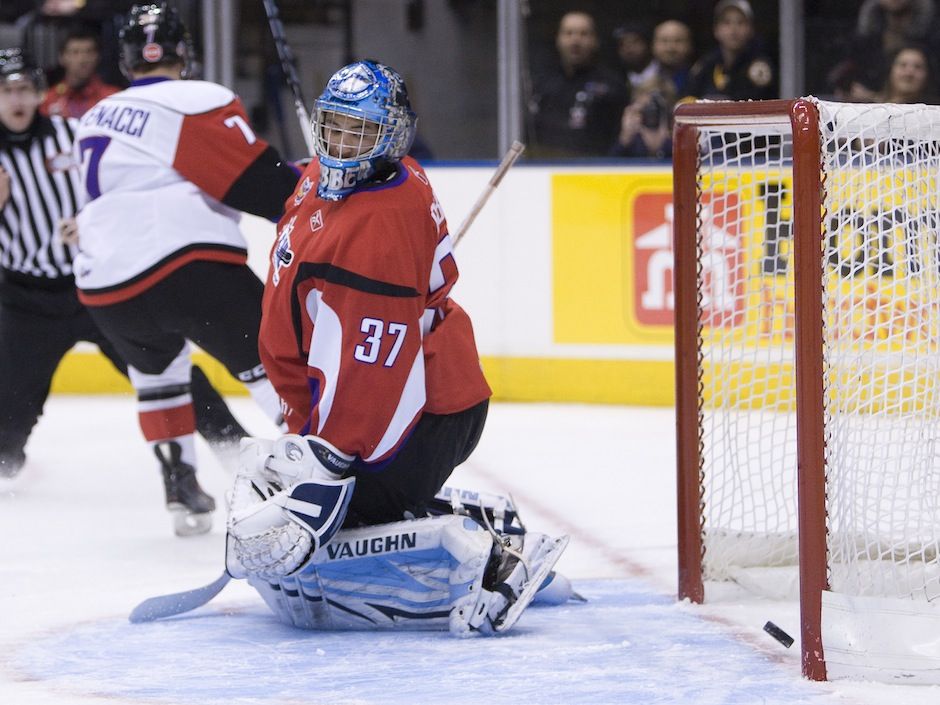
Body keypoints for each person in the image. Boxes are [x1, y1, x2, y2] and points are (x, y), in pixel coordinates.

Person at [223, 60, 569, 636]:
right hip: (410, 396)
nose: (340, 144)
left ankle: (490, 563)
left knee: (348, 518)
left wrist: (332, 461)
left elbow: (375, 373)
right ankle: (459, 519)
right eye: (333, 127)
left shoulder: (376, 233)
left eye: (359, 132)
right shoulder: (329, 178)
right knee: (333, 499)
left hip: (417, 410)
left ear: (393, 136)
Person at [73, 3, 300, 536]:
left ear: (126, 60)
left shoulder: (94, 116)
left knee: (158, 376)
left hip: (106, 288)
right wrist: (314, 196)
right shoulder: (197, 99)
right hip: (186, 264)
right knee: (276, 363)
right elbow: (253, 183)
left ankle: (181, 487)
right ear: (185, 52)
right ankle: (322, 479)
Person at [0, 45, 248, 482]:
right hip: (26, 303)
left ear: (40, 93)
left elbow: (121, 183)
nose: (16, 99)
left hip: (94, 285)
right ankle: (9, 468)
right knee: (7, 426)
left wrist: (96, 221)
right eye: (6, 90)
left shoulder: (73, 131)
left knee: (170, 371)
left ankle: (235, 449)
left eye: (24, 89)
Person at [529, 11, 629, 157]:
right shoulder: (542, 83)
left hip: (597, 171)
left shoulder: (613, 85)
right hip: (547, 168)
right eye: (568, 33)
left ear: (595, 40)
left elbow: (620, 138)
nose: (575, 40)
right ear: (558, 39)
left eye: (583, 34)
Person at [827, 0, 940, 102]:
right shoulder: (866, 41)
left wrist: (874, 98)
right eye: (902, 65)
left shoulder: (931, 39)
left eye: (918, 67)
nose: (909, 72)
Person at [683, 0, 776, 101]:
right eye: (726, 22)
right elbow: (688, 97)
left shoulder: (759, 66)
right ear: (716, 30)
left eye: (740, 22)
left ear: (751, 29)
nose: (733, 29)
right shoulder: (707, 64)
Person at [40, 24, 120, 118]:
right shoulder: (50, 99)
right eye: (75, 52)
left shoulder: (113, 97)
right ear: (61, 57)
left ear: (98, 56)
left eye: (89, 52)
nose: (83, 59)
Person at [650, 19, 694, 98]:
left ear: (689, 45)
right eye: (664, 41)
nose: (670, 48)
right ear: (653, 45)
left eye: (678, 41)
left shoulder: (701, 80)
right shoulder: (640, 81)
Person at [614, 21, 656, 90]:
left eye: (635, 42)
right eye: (622, 44)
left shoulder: (665, 74)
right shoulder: (616, 80)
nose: (628, 49)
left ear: (648, 45)